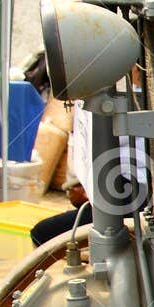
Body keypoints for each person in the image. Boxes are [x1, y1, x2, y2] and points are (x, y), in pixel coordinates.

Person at [21, 50, 93, 246]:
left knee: (42, 234)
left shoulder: (106, 102)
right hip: (112, 197)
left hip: (127, 203)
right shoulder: (87, 103)